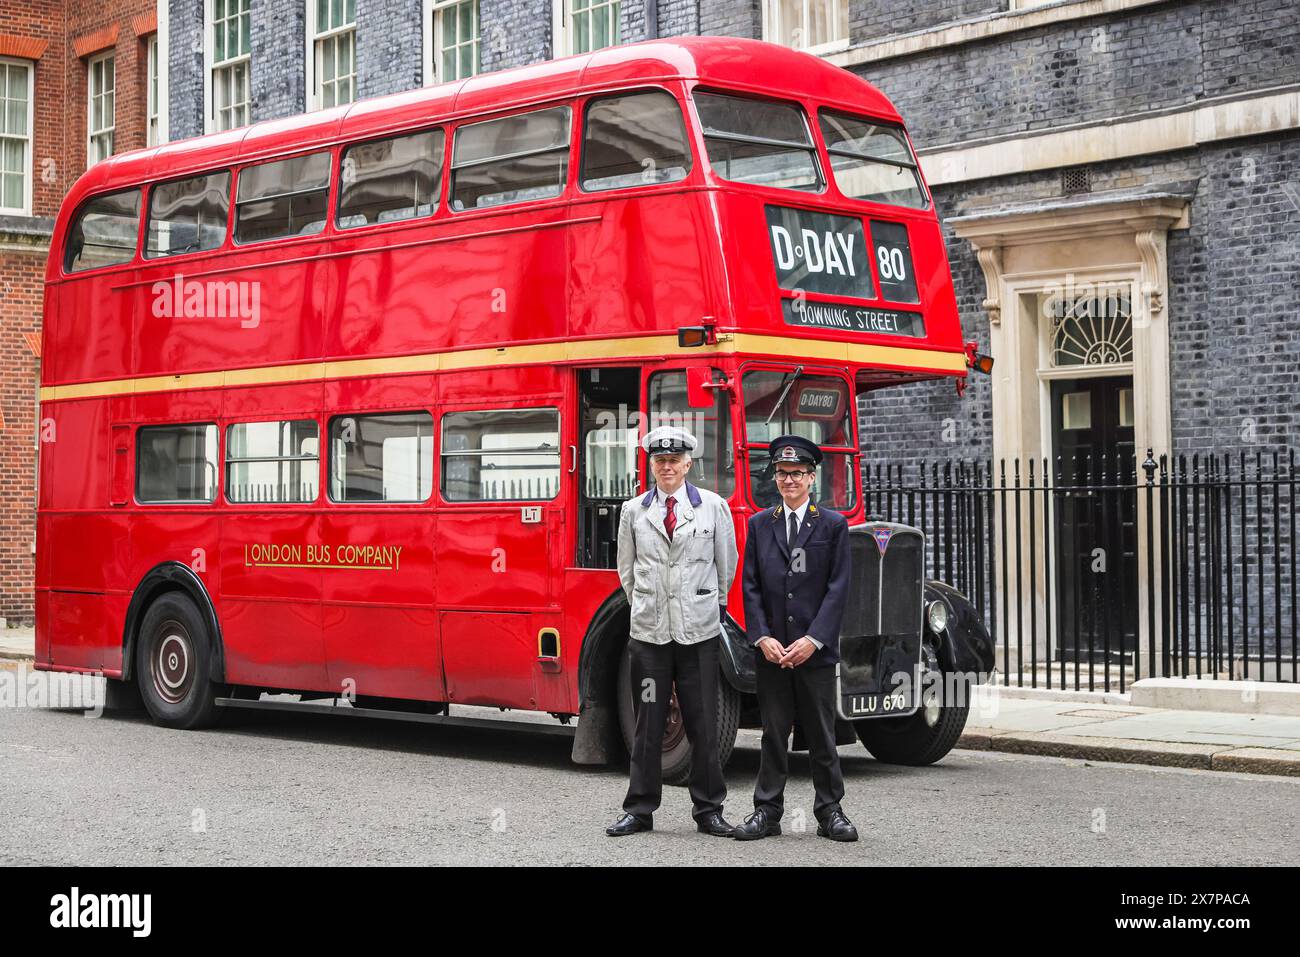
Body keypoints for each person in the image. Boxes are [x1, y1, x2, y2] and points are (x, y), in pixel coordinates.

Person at [605, 425, 739, 837]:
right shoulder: (633, 511)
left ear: (688, 464)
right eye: (660, 460)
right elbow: (626, 572)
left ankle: (709, 809)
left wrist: (702, 603)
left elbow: (726, 565)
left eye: (674, 460)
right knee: (649, 722)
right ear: (652, 465)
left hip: (697, 634)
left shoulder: (713, 507)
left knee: (702, 722)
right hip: (649, 636)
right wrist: (650, 604)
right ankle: (640, 809)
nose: (667, 466)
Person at [733, 435, 858, 842]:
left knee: (821, 733)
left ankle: (830, 812)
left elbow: (838, 589)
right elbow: (749, 585)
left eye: (798, 474)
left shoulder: (833, 525)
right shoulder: (759, 524)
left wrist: (813, 640)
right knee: (773, 733)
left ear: (811, 477)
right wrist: (762, 638)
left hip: (814, 653)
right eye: (783, 474)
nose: (789, 480)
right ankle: (766, 812)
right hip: (772, 652)